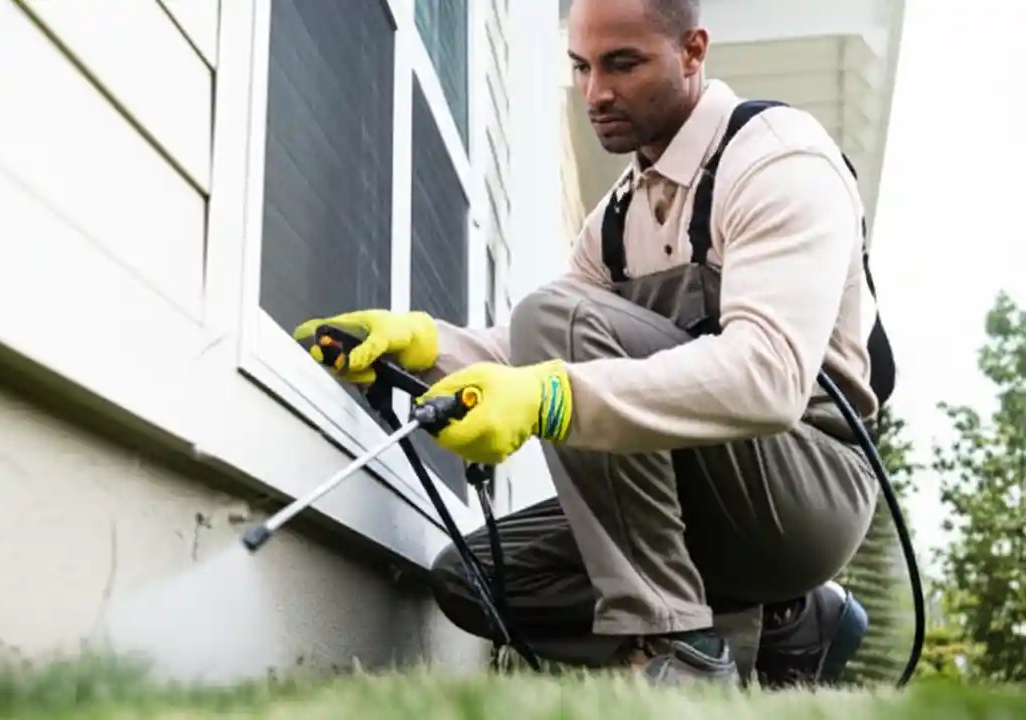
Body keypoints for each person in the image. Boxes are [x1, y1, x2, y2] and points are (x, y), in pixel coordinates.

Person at [294, 0, 890, 687]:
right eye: (580, 67)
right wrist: (421, 345)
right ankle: (785, 623)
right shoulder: (619, 219)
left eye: (622, 64)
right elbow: (531, 349)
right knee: (478, 581)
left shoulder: (776, 159)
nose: (595, 92)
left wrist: (552, 397)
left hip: (806, 485)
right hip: (700, 498)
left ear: (693, 51)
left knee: (561, 320)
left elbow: (769, 375)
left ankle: (678, 648)